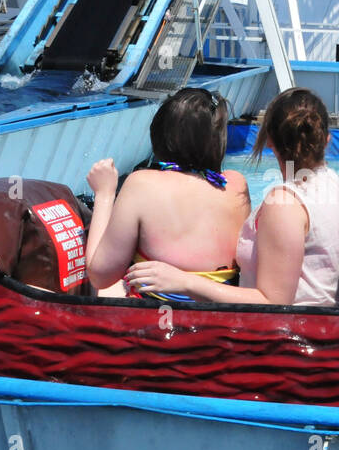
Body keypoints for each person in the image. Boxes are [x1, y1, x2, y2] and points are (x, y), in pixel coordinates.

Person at [126, 88, 339, 307]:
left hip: (287, 328)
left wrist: (184, 282)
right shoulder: (335, 184)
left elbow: (274, 303)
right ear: (327, 139)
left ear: (269, 140)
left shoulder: (284, 205)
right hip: (328, 321)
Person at [85, 87, 250, 300]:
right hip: (218, 315)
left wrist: (104, 194)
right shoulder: (235, 184)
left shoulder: (141, 183)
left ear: (160, 135)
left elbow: (100, 276)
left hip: (156, 316)